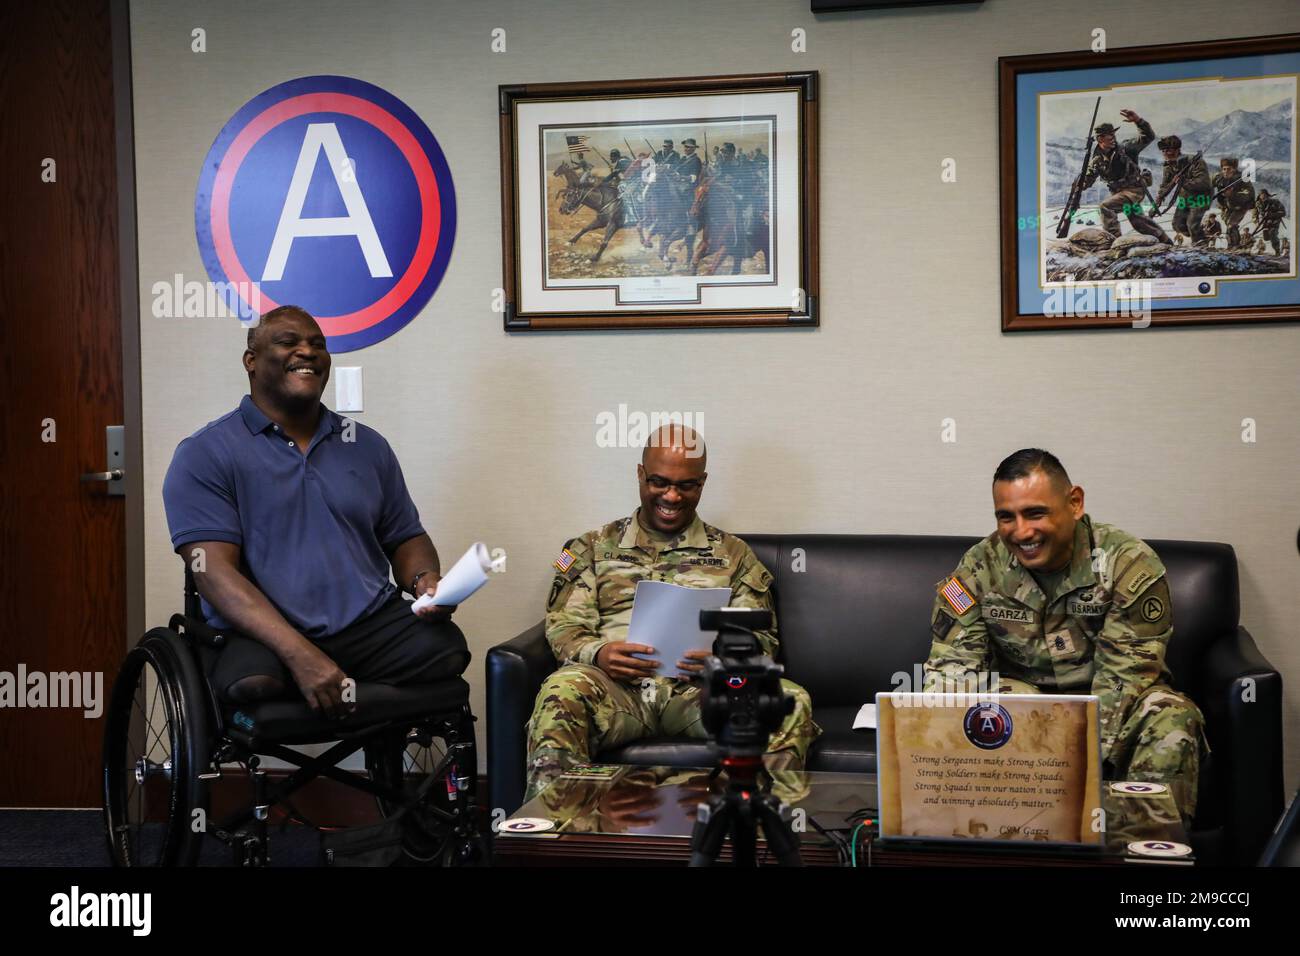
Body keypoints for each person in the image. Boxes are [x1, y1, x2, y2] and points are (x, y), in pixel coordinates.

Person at [162, 305, 469, 716]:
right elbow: (214, 574)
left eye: (318, 345)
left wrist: (424, 580)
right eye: (289, 342)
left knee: (447, 652)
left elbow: (405, 536)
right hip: (263, 632)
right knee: (254, 684)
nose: (307, 351)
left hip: (365, 623)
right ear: (250, 361)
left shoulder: (366, 446)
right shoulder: (205, 453)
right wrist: (300, 654)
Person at [524, 424, 820, 801]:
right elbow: (564, 625)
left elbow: (762, 638)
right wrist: (598, 654)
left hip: (700, 692)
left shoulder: (733, 555)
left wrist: (722, 658)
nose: (672, 496)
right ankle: (558, 837)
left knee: (787, 702)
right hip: (617, 690)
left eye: (687, 486)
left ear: (703, 482)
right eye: (659, 482)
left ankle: (761, 833)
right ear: (640, 474)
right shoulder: (592, 548)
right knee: (561, 690)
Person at [922, 448, 1205, 820]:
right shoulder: (980, 565)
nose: (1021, 532)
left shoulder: (1127, 563)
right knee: (994, 702)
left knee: (1172, 715)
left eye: (1035, 513)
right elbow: (953, 668)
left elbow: (1125, 678)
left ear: (1074, 503)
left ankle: (1145, 848)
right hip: (1022, 710)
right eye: (1006, 517)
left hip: (1110, 709)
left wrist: (1066, 757)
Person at [1077, 111, 1172, 244]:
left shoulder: (1127, 148)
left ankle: (1115, 242)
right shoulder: (1097, 160)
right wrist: (1079, 185)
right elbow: (1088, 179)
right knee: (1138, 222)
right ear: (1100, 139)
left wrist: (1138, 121)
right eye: (1109, 135)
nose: (1113, 137)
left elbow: (1148, 136)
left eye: (1113, 134)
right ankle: (1165, 241)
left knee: (1106, 207)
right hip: (1119, 193)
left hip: (1134, 190)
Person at [1154, 136, 1212, 246]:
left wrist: (1183, 182)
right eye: (1163, 151)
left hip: (1201, 197)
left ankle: (1200, 245)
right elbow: (1166, 184)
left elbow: (1203, 183)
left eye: (1168, 150)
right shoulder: (1168, 165)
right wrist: (1160, 196)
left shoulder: (1195, 161)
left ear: (1177, 150)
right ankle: (1202, 236)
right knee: (1177, 225)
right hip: (1185, 198)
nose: (1165, 153)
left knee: (1192, 224)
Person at [1212, 157, 1255, 249]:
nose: (1226, 171)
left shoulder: (1243, 178)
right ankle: (1234, 245)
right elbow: (1207, 185)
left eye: (1229, 169)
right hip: (1226, 206)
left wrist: (1233, 194)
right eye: (1224, 169)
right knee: (1229, 224)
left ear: (1234, 169)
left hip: (1241, 206)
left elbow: (1248, 194)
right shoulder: (1218, 177)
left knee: (1231, 224)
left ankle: (1234, 246)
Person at [1254, 189, 1287, 256]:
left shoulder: (1275, 202)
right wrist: (1255, 220)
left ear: (1267, 195)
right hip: (1265, 222)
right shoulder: (1258, 203)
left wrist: (1272, 215)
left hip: (1275, 221)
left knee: (1272, 234)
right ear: (1259, 196)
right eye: (1261, 195)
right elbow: (1255, 213)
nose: (1263, 196)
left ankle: (1277, 251)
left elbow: (1283, 213)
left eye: (1264, 194)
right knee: (1266, 238)